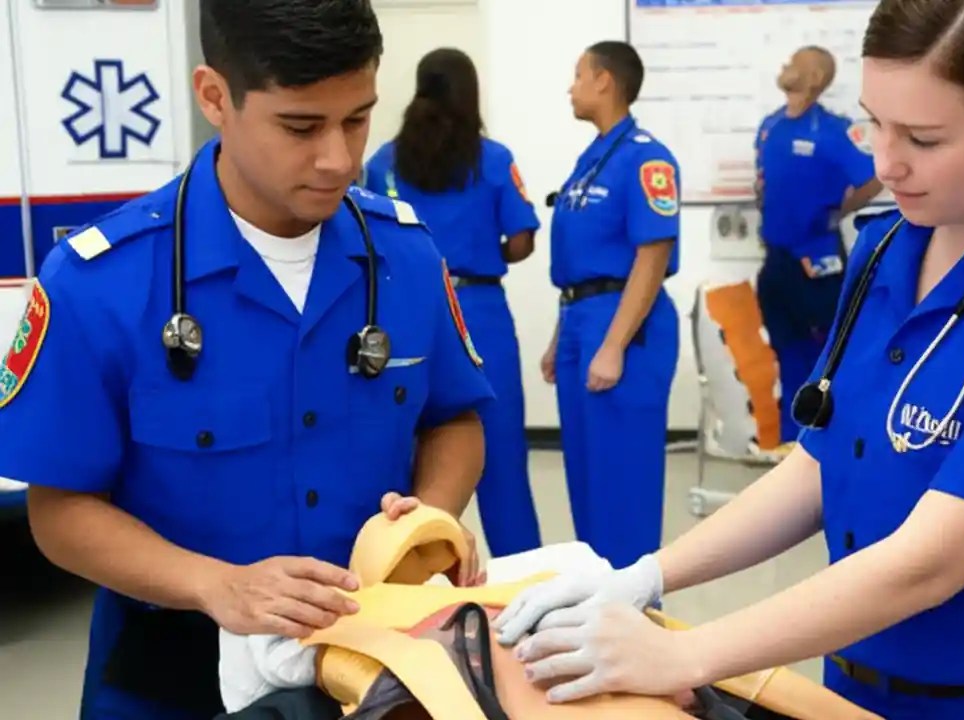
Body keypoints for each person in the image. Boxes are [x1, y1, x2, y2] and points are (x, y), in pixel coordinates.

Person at [493, 1, 964, 718]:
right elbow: (821, 463)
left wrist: (688, 654)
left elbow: (932, 562)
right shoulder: (884, 248)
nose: (884, 163)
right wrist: (650, 574)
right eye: (874, 122)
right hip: (841, 688)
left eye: (925, 138)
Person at [0, 2, 494, 718]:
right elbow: (60, 510)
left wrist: (427, 522)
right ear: (214, 97)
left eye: (357, 118)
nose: (340, 159)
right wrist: (215, 585)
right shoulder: (99, 284)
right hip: (171, 678)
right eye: (300, 126)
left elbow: (453, 420)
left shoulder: (406, 258)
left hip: (373, 670)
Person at [363, 47, 543, 559]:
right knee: (502, 455)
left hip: (406, 315)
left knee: (408, 456)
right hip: (478, 310)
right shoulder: (494, 159)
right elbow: (523, 240)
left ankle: (409, 571)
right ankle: (519, 584)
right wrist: (485, 249)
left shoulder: (383, 163)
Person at [542, 41, 680, 571]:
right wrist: (561, 338)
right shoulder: (593, 159)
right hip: (581, 320)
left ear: (604, 81)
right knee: (587, 474)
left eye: (578, 75)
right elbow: (579, 263)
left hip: (625, 325)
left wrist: (614, 345)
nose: (571, 87)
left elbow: (652, 254)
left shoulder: (647, 157)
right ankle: (596, 598)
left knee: (624, 477)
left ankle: (633, 606)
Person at [755, 45, 882, 446]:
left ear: (814, 78)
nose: (784, 65)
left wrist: (839, 211)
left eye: (795, 63)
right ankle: (792, 441)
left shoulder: (832, 130)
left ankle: (829, 444)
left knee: (825, 355)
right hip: (776, 262)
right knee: (785, 349)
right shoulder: (770, 125)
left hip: (818, 262)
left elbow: (873, 176)